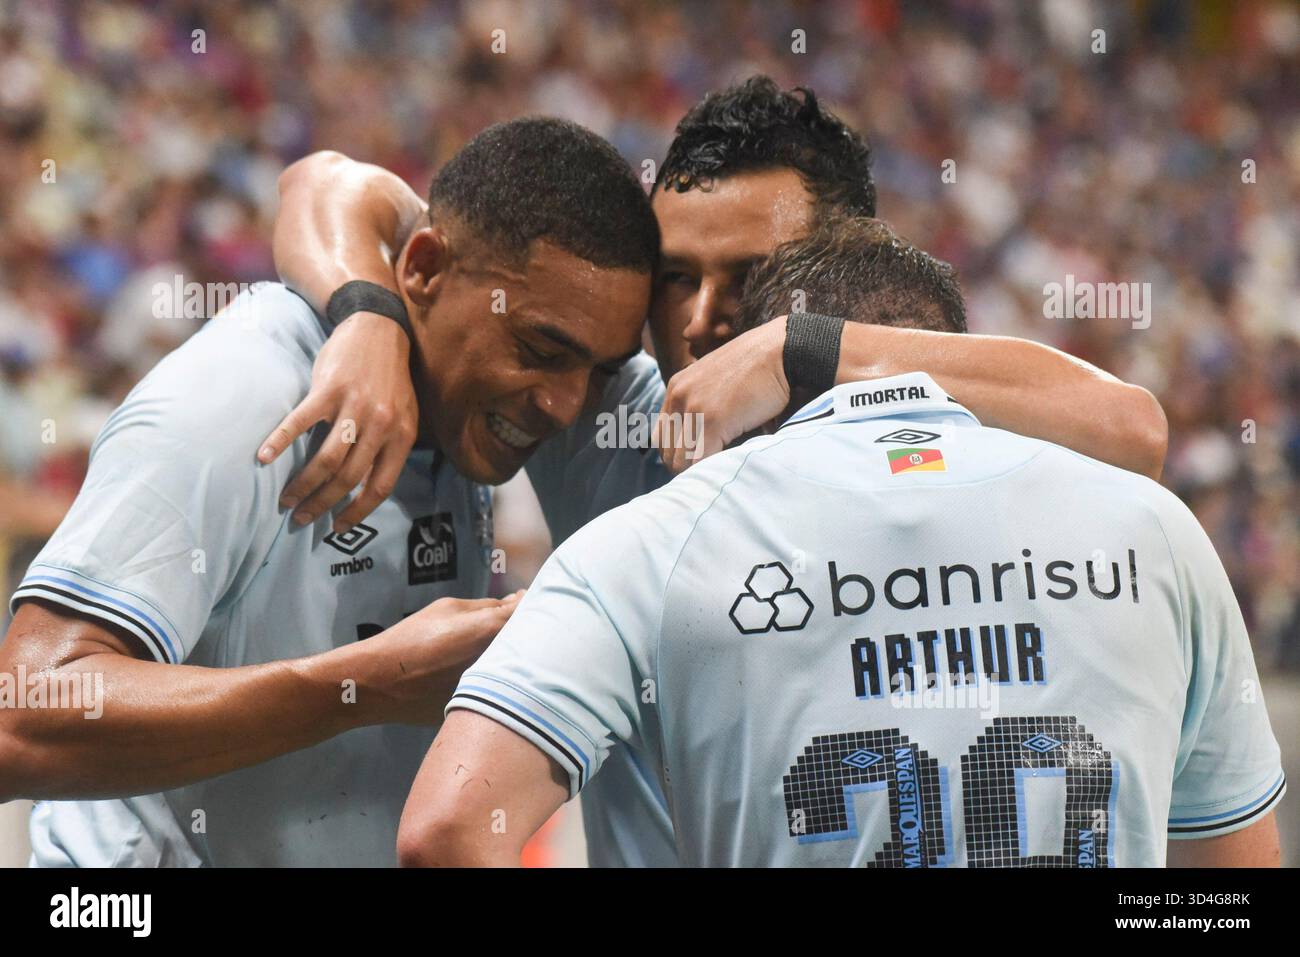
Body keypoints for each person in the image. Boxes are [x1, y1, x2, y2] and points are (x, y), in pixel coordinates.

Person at [264, 77, 1169, 866]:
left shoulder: (926, 434)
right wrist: (368, 315)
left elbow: (1131, 428)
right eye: (676, 278)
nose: (702, 321)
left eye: (750, 279)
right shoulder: (614, 414)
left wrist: (802, 346)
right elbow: (328, 184)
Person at [396, 218, 1284, 867]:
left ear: (766, 366)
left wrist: (366, 315)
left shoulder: (650, 539)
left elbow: (446, 832)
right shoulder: (1159, 535)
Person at [0, 117, 658, 866]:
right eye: (540, 350)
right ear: (422, 271)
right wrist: (359, 687)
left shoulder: (472, 400)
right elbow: (20, 716)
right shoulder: (242, 395)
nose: (567, 405)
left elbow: (335, 183)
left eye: (598, 371)